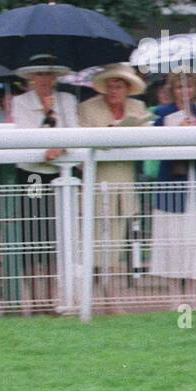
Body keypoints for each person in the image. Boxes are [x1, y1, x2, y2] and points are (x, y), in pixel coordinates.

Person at [78, 64, 153, 310]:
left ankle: (110, 297)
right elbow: (82, 146)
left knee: (117, 241)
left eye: (118, 85)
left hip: (125, 181)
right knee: (97, 242)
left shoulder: (138, 108)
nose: (113, 90)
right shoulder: (88, 108)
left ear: (128, 88)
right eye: (110, 85)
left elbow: (146, 143)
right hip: (99, 182)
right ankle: (105, 297)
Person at [11, 54, 79, 313]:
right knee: (32, 232)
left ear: (55, 77)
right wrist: (47, 117)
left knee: (55, 233)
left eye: (48, 74)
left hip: (60, 172)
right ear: (31, 77)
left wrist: (60, 146)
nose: (44, 79)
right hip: (33, 174)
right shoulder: (21, 102)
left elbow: (74, 131)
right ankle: (35, 299)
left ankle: (52, 298)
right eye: (39, 74)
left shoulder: (67, 100)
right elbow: (25, 136)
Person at [149, 73, 196, 303]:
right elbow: (154, 146)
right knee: (171, 235)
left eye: (189, 86)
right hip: (171, 184)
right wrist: (177, 131)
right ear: (173, 90)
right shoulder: (161, 114)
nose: (184, 91)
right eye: (180, 87)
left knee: (194, 233)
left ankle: (192, 292)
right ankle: (173, 294)